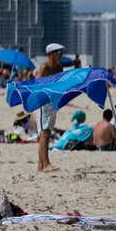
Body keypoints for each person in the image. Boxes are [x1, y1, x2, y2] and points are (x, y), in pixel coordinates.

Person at [36, 43, 65, 172]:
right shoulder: (44, 68)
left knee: (46, 132)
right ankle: (46, 164)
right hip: (43, 102)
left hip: (53, 102)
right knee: (45, 133)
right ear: (51, 54)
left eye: (61, 53)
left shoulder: (59, 67)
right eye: (58, 52)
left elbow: (61, 85)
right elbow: (37, 86)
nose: (60, 55)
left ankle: (40, 165)